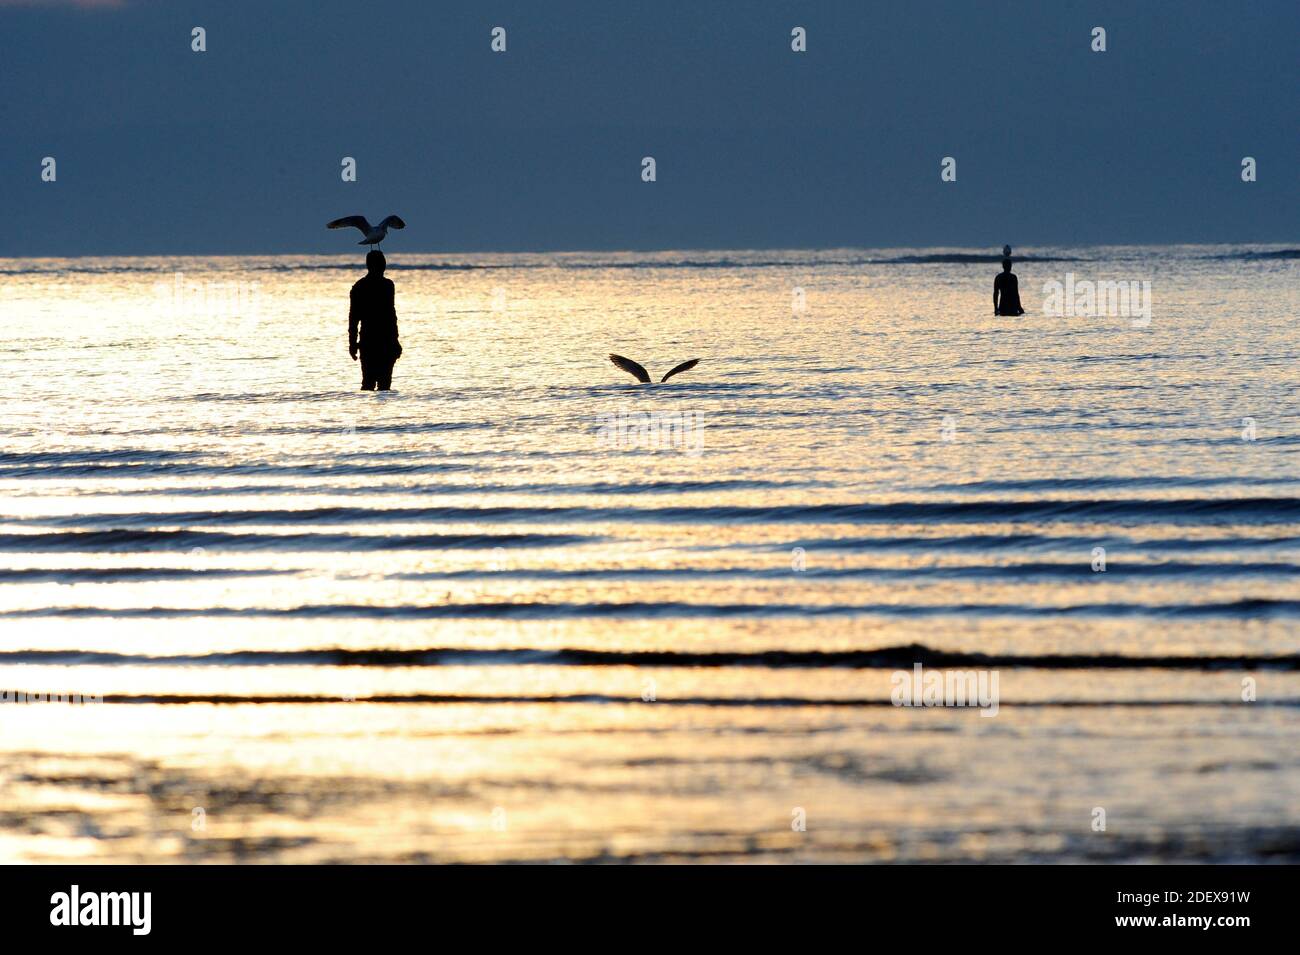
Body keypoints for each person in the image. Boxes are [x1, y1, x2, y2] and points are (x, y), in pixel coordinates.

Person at [348, 250, 402, 390]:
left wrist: (353, 344)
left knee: (370, 384)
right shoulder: (385, 286)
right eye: (381, 263)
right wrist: (352, 344)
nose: (384, 266)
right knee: (378, 384)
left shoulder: (361, 286)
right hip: (377, 343)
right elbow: (354, 318)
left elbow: (390, 315)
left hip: (375, 343)